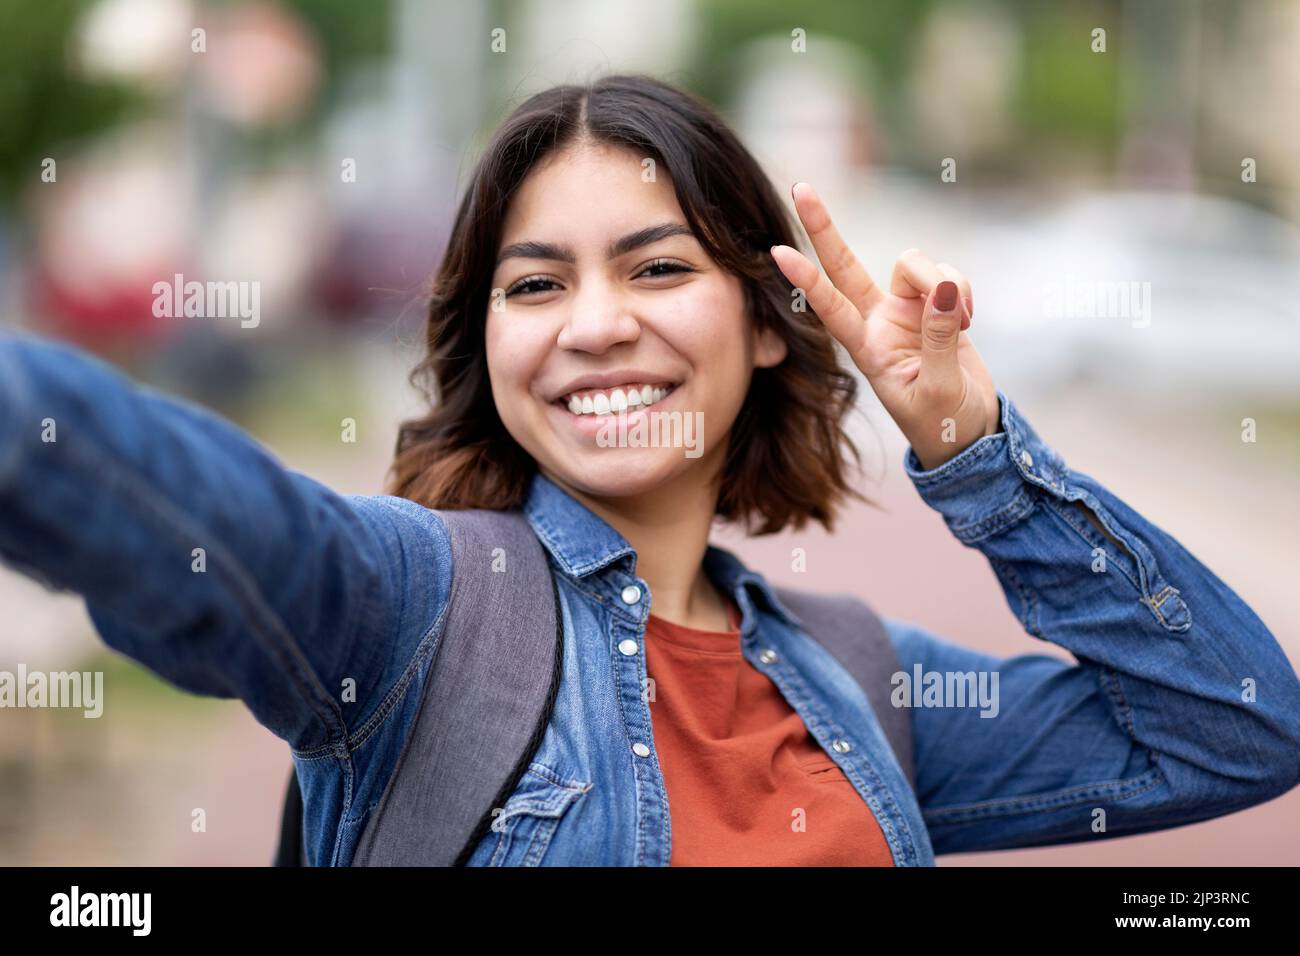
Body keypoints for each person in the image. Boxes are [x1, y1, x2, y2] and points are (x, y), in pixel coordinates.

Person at [1, 74, 1297, 867]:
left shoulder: (865, 685)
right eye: (536, 283)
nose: (594, 322)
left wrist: (975, 452)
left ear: (762, 322)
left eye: (658, 266)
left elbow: (1234, 725)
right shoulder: (403, 608)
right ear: (488, 345)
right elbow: (152, 484)